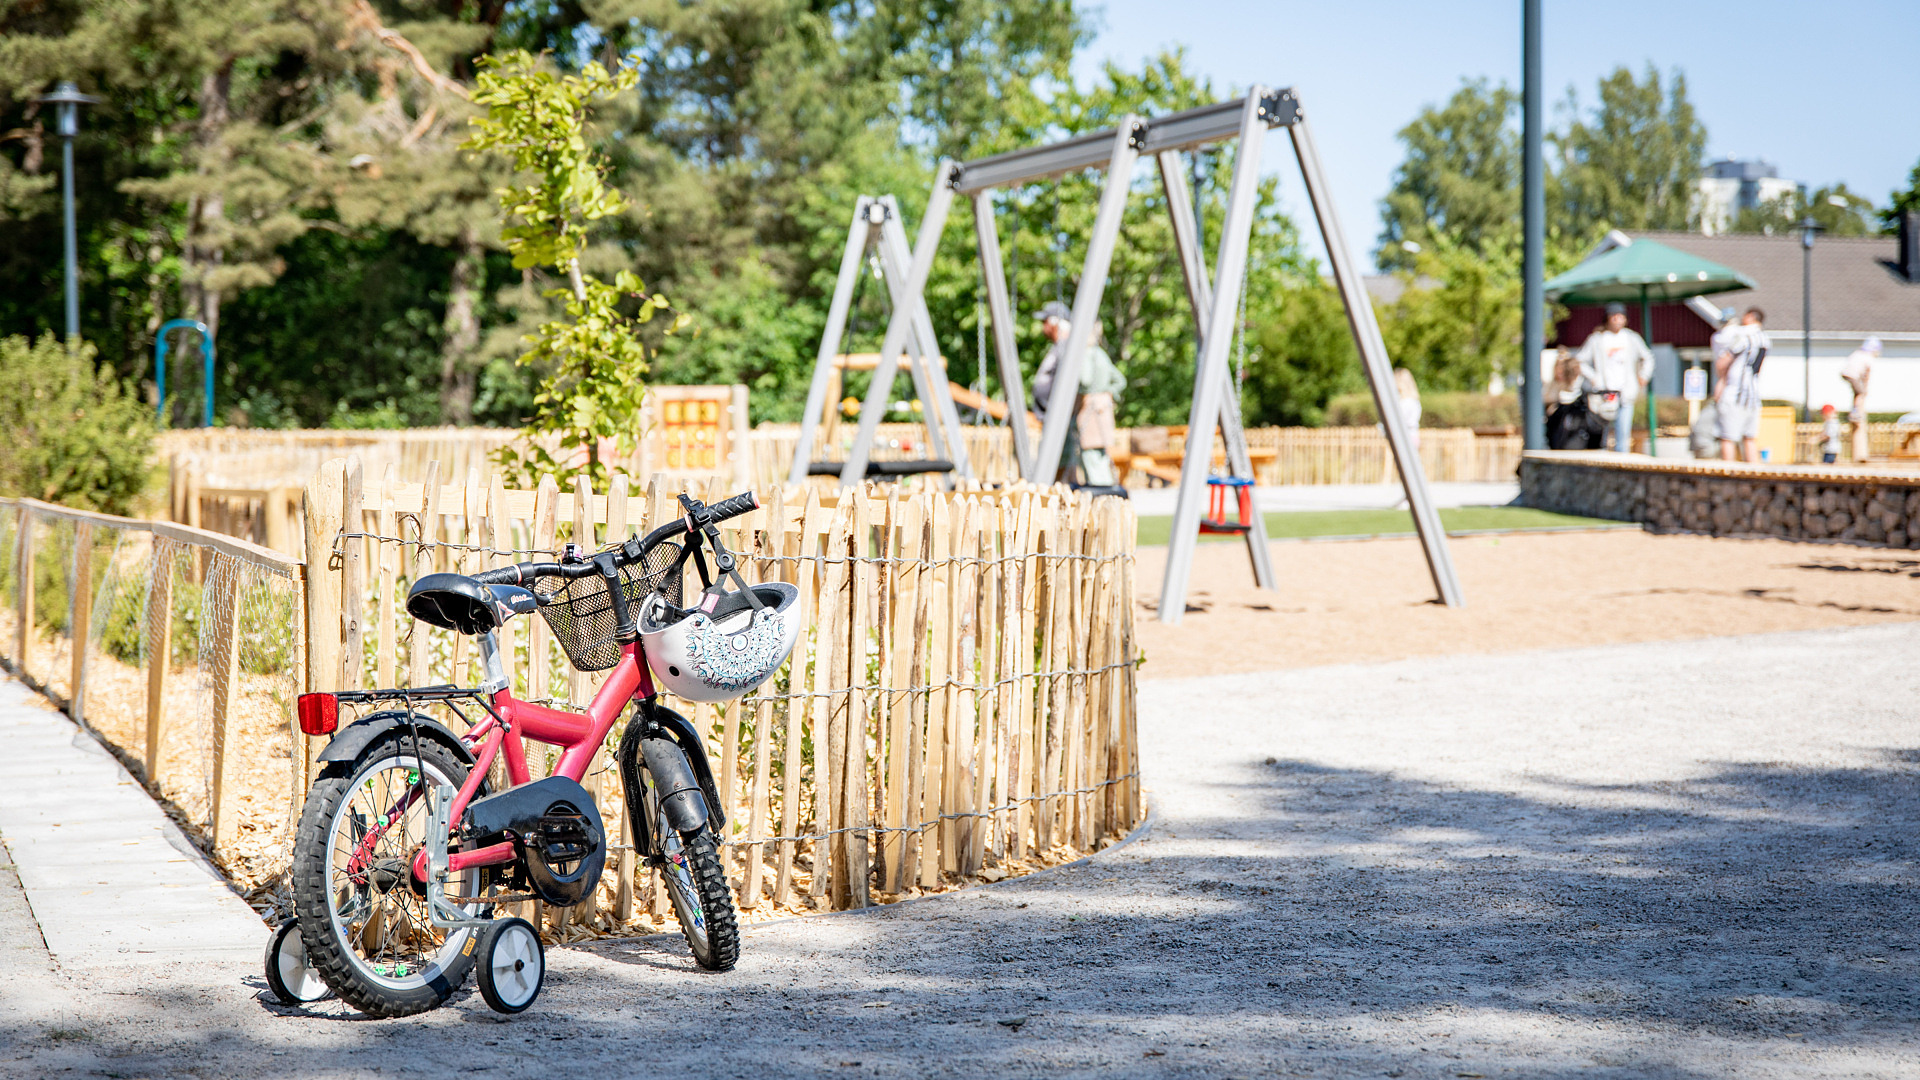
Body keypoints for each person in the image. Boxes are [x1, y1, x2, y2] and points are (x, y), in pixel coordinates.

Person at [1030, 301, 1126, 484]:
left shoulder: (1087, 353)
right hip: (1096, 409)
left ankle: (1101, 494)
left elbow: (1085, 380)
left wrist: (1094, 395)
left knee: (1091, 457)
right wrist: (1108, 395)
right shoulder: (1099, 354)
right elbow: (1119, 380)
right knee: (1094, 456)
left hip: (1088, 410)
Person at [1575, 301, 1655, 452]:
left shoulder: (1631, 338)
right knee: (1602, 435)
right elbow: (1580, 360)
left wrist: (1644, 375)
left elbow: (1648, 357)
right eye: (1614, 316)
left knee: (1622, 435)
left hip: (1625, 392)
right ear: (1608, 318)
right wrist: (1593, 376)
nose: (1618, 320)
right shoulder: (1597, 339)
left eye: (1621, 316)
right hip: (1604, 392)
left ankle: (1621, 465)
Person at [1712, 307, 1769, 462]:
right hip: (1753, 396)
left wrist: (1721, 378)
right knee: (1749, 439)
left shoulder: (1743, 336)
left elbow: (1724, 360)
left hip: (1734, 394)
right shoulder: (1765, 338)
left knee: (1727, 438)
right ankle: (1754, 475)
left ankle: (1727, 475)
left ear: (1750, 316)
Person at [1841, 336, 1880, 463]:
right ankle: (1856, 412)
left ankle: (1855, 409)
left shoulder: (1858, 353)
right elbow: (1866, 373)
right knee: (1860, 393)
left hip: (1847, 373)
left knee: (1856, 393)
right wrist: (1866, 388)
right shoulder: (1868, 357)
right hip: (1853, 374)